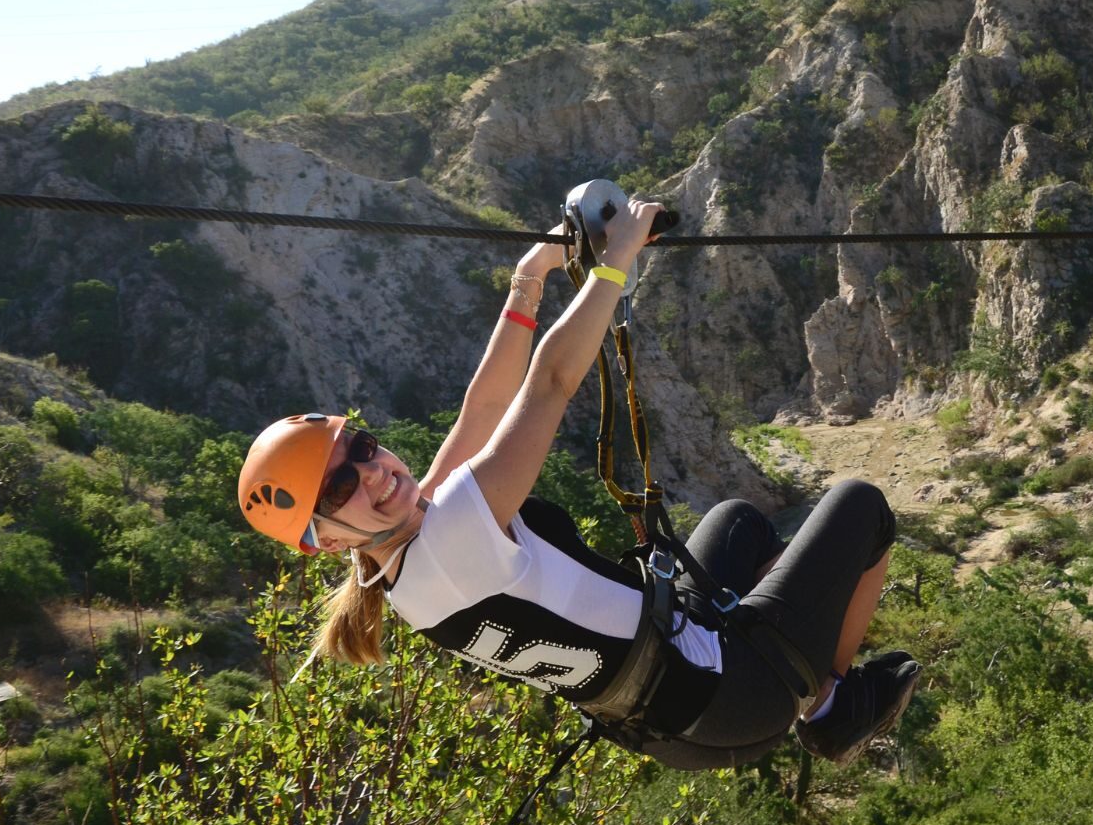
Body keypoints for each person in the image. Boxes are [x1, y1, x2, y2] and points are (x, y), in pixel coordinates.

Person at [236, 197, 921, 770]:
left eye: (358, 446)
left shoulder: (401, 558)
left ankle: (797, 672)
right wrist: (618, 257)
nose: (370, 473)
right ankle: (829, 705)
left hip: (672, 722)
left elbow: (482, 409)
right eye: (336, 491)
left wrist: (528, 279)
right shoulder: (451, 539)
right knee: (863, 509)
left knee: (739, 523)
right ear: (324, 542)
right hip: (729, 696)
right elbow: (551, 384)